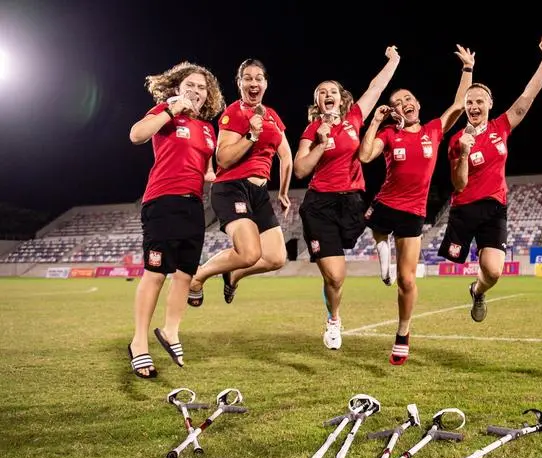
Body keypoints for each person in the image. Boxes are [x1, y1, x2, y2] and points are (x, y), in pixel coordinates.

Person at [357, 45, 475, 365]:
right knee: (371, 225)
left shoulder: (433, 130)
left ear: (417, 104)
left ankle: (403, 332)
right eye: (398, 103)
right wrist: (375, 121)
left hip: (413, 211)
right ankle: (382, 249)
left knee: (407, 280)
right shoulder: (389, 135)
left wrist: (467, 69)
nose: (405, 104)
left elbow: (458, 106)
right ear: (394, 112)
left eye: (408, 99)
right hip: (386, 202)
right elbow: (365, 156)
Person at [438, 38, 542, 323]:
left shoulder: (500, 126)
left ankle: (477, 291)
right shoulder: (456, 140)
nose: (474, 106)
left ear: (490, 103)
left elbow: (527, 97)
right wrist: (463, 153)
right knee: (451, 259)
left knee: (492, 271)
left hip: (495, 208)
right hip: (464, 208)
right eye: (469, 102)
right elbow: (459, 185)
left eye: (479, 101)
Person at [294, 46, 400, 350]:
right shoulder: (312, 129)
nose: (327, 94)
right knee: (336, 277)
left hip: (352, 201)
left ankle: (382, 242)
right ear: (317, 103)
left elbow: (376, 87)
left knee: (378, 214)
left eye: (332, 91)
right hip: (319, 206)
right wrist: (320, 143)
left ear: (342, 99)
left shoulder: (355, 117)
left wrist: (393, 61)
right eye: (321, 92)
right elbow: (301, 169)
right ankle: (334, 320)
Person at [127, 61, 225, 378]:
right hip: (162, 201)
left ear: (207, 95)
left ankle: (171, 331)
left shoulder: (209, 129)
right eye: (190, 86)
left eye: (202, 87)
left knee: (185, 274)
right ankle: (139, 343)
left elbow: (208, 172)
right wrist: (170, 111)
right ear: (178, 89)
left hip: (193, 206)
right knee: (155, 273)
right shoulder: (164, 112)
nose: (196, 91)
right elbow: (136, 135)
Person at [188, 59, 293, 307]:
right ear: (240, 83)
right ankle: (198, 277)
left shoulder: (273, 116)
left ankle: (234, 274)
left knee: (277, 258)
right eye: (248, 78)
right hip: (232, 187)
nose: (253, 82)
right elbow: (223, 157)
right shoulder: (233, 113)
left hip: (259, 193)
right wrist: (251, 135)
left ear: (265, 83)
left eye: (258, 78)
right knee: (249, 253)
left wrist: (284, 192)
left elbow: (286, 156)